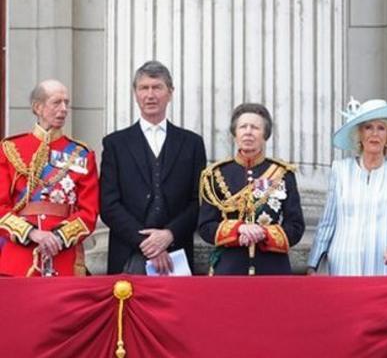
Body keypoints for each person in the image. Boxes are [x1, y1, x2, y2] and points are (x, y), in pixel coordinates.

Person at [100, 61, 208, 275]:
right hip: (129, 254)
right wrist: (148, 243)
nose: (150, 95)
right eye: (144, 88)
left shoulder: (192, 143)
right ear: (135, 93)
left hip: (177, 255)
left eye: (157, 87)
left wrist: (169, 234)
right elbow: (108, 204)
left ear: (170, 92)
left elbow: (200, 201)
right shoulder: (115, 144)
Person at [307, 98, 387, 276]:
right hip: (344, 266)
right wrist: (312, 265)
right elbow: (328, 222)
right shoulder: (341, 169)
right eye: (368, 127)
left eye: (381, 128)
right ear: (359, 134)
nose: (374, 133)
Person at [0, 80, 99, 276]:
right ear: (38, 107)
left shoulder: (81, 154)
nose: (63, 109)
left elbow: (89, 212)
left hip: (64, 257)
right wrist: (33, 234)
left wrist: (57, 238)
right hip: (19, 257)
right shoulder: (10, 149)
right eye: (56, 103)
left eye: (66, 103)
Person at [197, 103, 304, 275]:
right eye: (243, 127)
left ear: (265, 135)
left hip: (273, 270)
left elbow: (296, 226)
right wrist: (238, 229)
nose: (248, 131)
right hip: (229, 270)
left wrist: (264, 233)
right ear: (235, 134)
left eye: (255, 127)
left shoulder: (283, 174)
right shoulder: (216, 174)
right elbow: (205, 227)